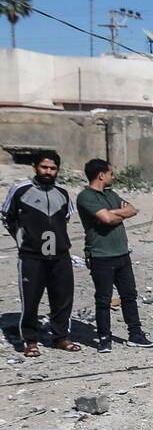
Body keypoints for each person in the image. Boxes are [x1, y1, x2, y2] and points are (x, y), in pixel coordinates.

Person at [2, 150, 79, 356]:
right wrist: (22, 238)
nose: (48, 171)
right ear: (35, 167)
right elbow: (7, 216)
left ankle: (61, 337)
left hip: (60, 254)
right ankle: (30, 341)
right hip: (31, 256)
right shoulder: (20, 190)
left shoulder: (62, 192)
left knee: (63, 298)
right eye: (44, 167)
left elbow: (67, 217)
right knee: (30, 299)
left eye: (53, 168)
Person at [76, 159, 153, 352]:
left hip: (121, 254)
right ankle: (104, 338)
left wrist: (113, 213)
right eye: (111, 173)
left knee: (129, 295)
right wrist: (118, 213)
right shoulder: (86, 197)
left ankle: (135, 334)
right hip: (101, 256)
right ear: (101, 175)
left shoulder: (111, 194)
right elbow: (108, 219)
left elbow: (132, 209)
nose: (114, 176)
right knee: (103, 299)